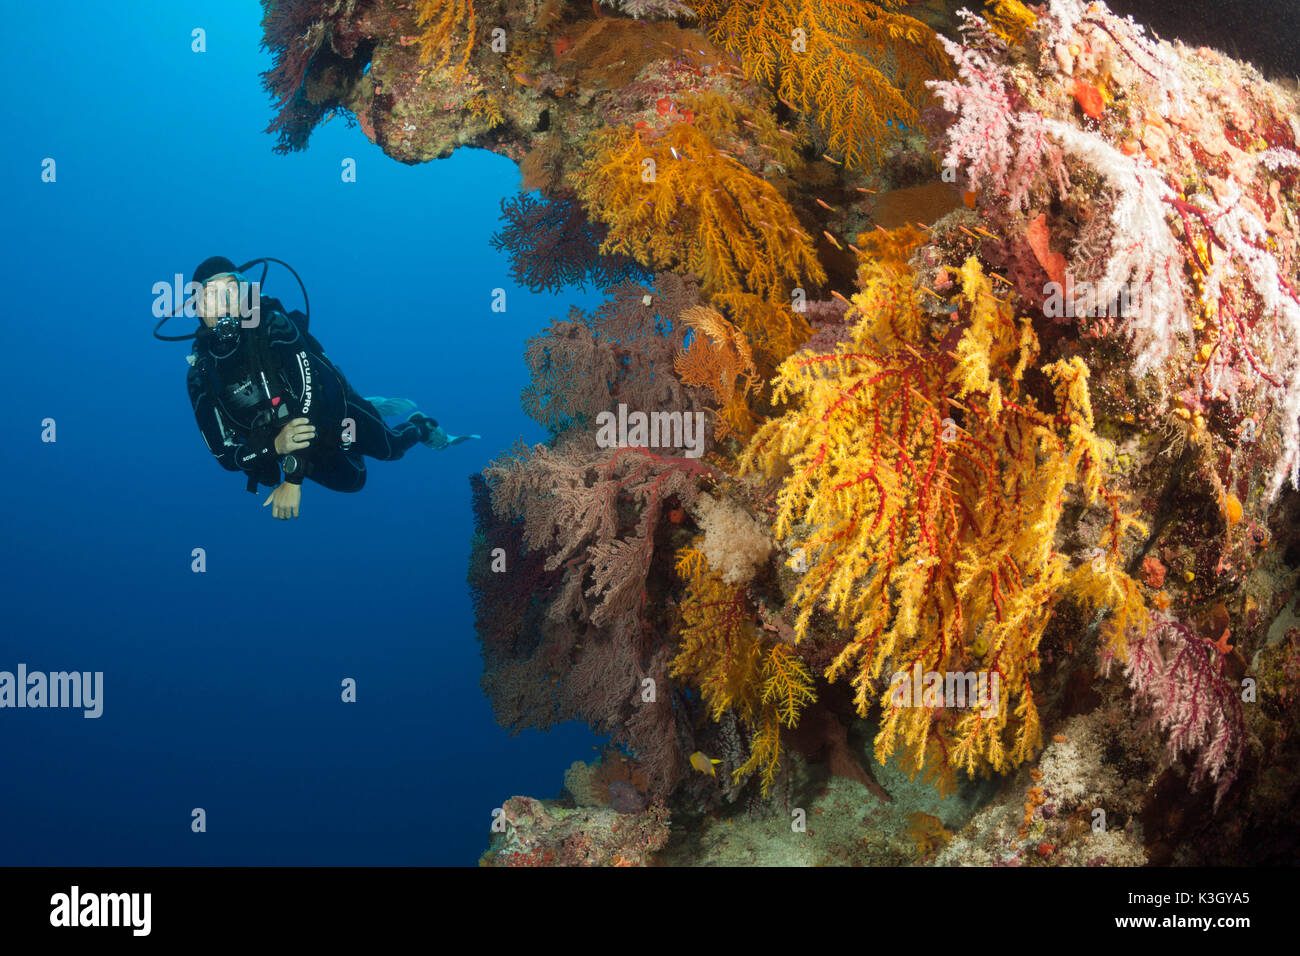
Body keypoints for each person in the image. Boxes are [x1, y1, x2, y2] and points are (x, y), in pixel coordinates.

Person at [182, 256, 476, 519]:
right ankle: (372, 411)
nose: (224, 304)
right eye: (211, 296)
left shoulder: (273, 326)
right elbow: (225, 455)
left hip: (335, 411)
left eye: (232, 291)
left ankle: (421, 426)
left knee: (391, 449)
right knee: (353, 481)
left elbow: (311, 399)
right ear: (197, 306)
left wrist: (293, 479)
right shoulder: (200, 376)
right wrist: (275, 447)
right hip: (290, 443)